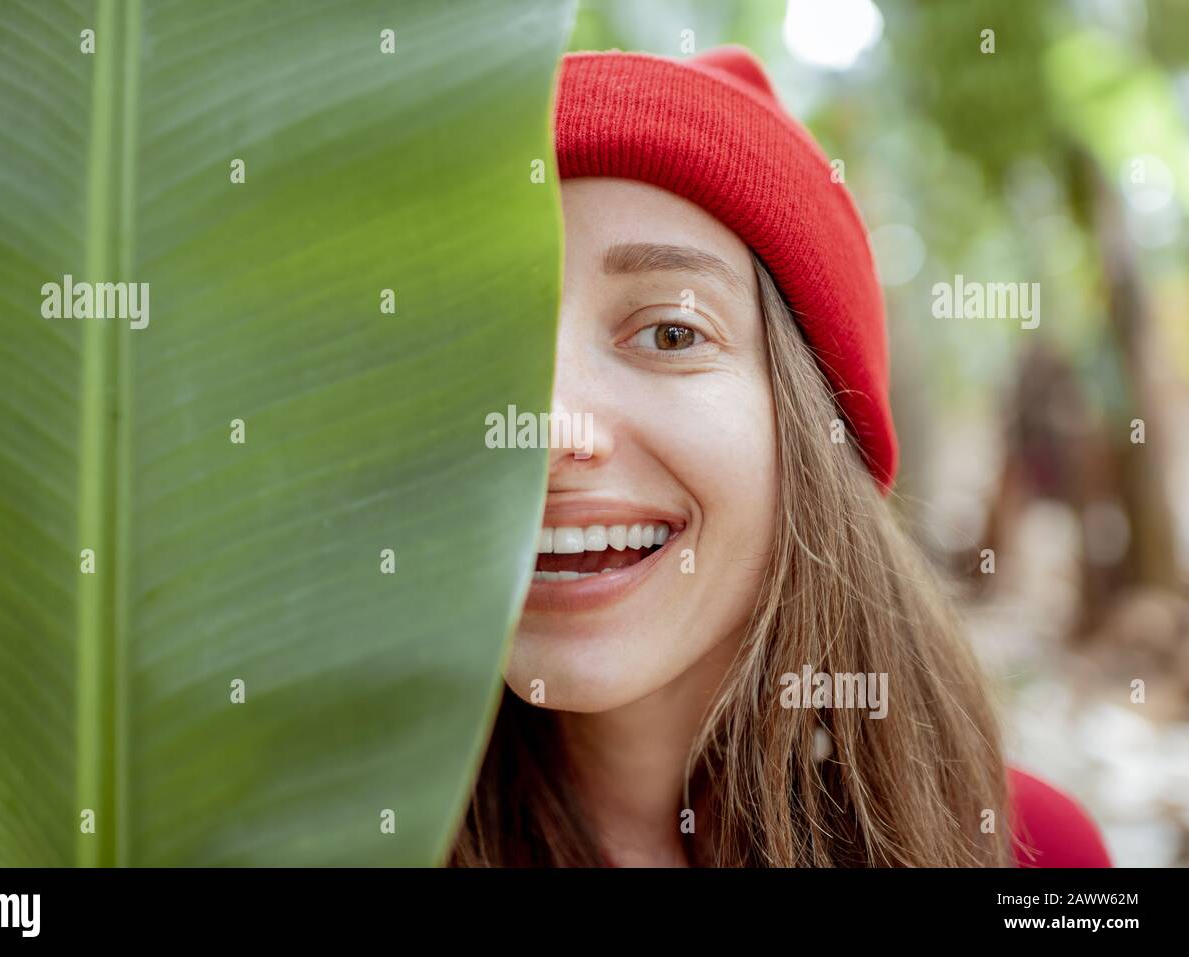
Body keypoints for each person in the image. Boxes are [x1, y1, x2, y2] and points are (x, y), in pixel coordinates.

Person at [450, 46, 1111, 868]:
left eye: (670, 332)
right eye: (490, 344)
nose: (545, 427)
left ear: (816, 429)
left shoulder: (1037, 854)